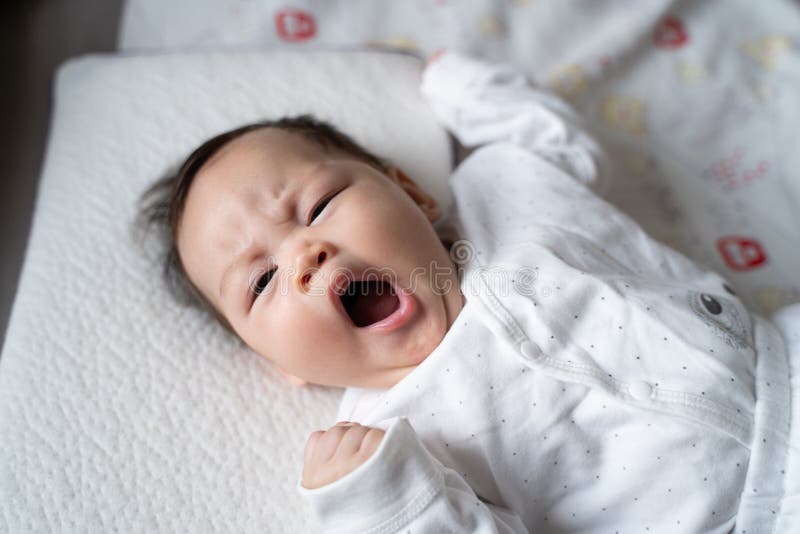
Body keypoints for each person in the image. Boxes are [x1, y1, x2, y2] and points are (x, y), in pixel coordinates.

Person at [140, 51, 799, 532]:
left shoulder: (502, 190)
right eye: (261, 282)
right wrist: (388, 504)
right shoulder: (390, 441)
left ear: (413, 192)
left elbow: (550, 137)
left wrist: (453, 78)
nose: (304, 255)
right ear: (280, 366)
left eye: (317, 206)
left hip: (784, 374)